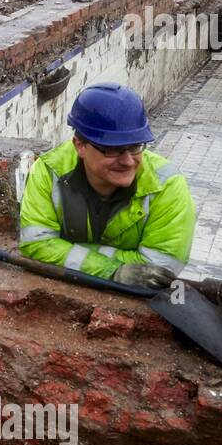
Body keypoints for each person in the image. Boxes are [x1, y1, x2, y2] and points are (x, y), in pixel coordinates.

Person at [18, 82, 196, 290]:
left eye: (136, 146)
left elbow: (158, 271)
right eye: (113, 149)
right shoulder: (49, 171)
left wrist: (67, 250)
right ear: (80, 146)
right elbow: (35, 244)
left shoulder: (167, 185)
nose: (128, 161)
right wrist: (112, 271)